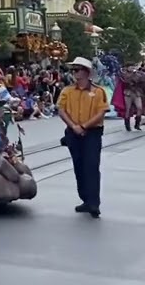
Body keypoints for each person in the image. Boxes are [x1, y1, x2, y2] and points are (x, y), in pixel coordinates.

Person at [58, 56, 108, 218]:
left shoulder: (98, 91)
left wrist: (84, 126)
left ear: (87, 72)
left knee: (91, 166)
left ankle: (94, 203)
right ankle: (85, 199)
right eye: (72, 70)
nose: (74, 73)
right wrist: (74, 127)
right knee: (79, 166)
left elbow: (101, 112)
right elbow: (61, 110)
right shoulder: (67, 91)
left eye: (77, 70)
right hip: (73, 132)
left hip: (92, 132)